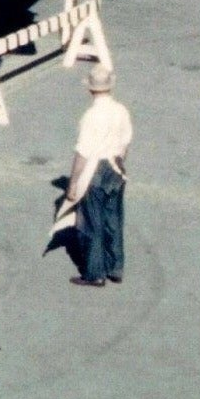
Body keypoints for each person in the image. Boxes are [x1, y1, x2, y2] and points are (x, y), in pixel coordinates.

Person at [52, 61, 133, 288]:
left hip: (95, 169)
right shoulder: (121, 110)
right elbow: (126, 143)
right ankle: (115, 267)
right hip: (116, 166)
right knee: (114, 218)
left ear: (90, 89)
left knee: (91, 223)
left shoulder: (90, 116)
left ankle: (95, 272)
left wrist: (73, 183)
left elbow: (83, 153)